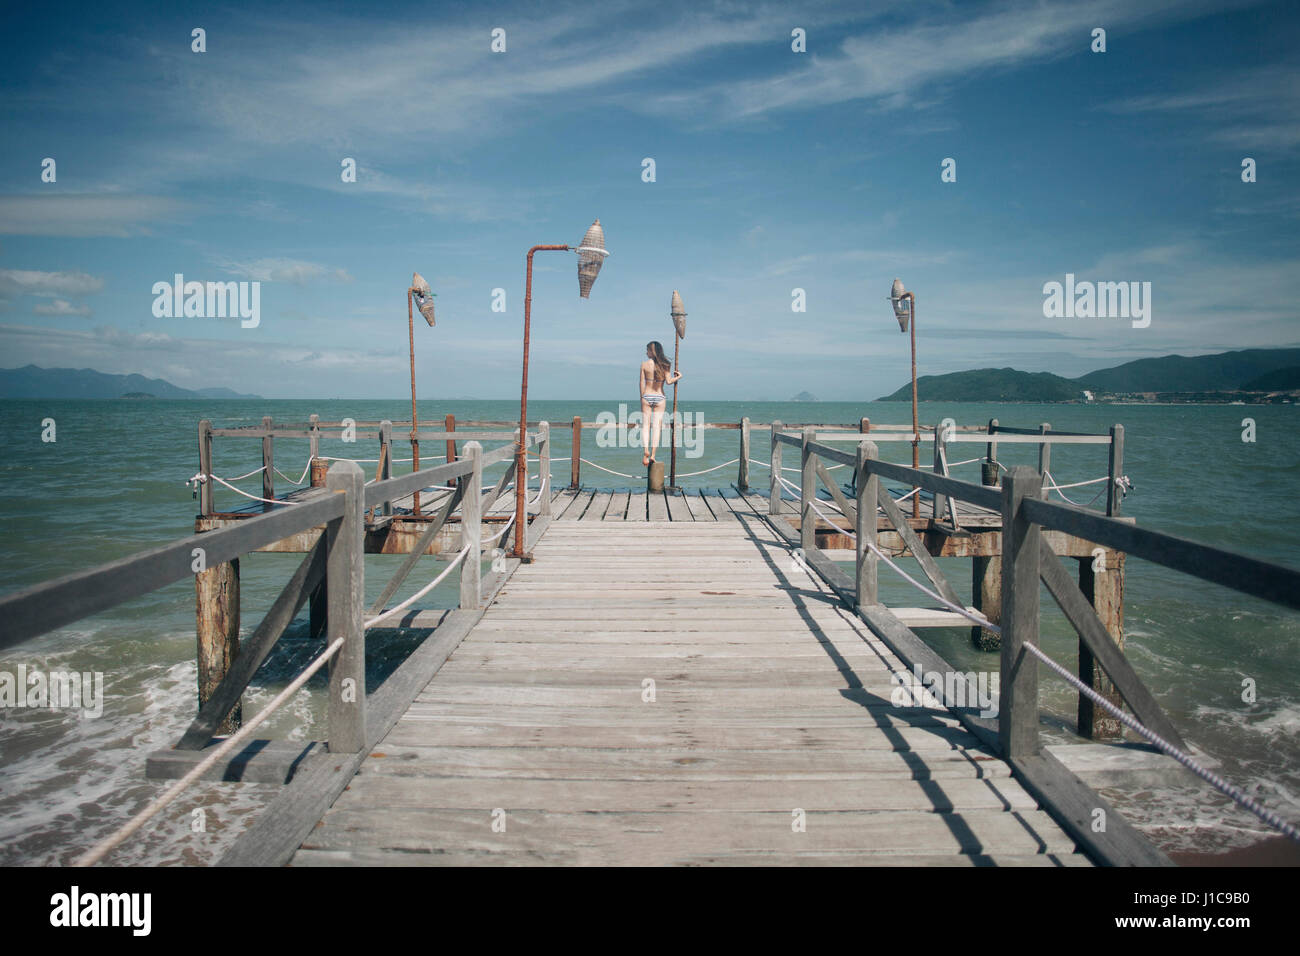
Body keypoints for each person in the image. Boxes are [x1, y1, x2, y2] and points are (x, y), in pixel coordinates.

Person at [639, 341, 681, 467]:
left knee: (646, 426)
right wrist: (678, 377)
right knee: (657, 427)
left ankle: (645, 449)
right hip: (660, 396)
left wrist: (642, 397)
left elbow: (641, 383)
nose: (646, 353)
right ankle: (652, 455)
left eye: (647, 350)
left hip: (647, 395)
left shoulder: (644, 365)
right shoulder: (666, 364)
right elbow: (668, 381)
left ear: (652, 351)